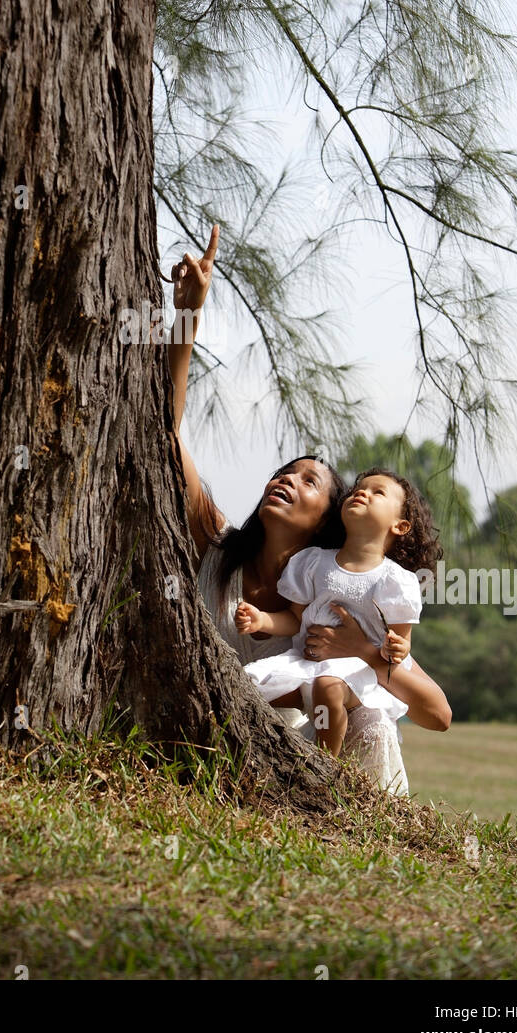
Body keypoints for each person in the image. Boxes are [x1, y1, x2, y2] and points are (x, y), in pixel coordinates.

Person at [166, 223, 451, 794]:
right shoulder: (216, 547)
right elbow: (166, 434)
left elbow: (437, 713)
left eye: (310, 481)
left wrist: (364, 650)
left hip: (294, 759)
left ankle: (368, 834)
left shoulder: (341, 598)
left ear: (328, 517)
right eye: (284, 472)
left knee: (369, 721)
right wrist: (188, 320)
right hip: (208, 740)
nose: (286, 480)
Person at [237, 468, 442, 757]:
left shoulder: (394, 580)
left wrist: (396, 646)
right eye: (359, 488)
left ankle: (324, 762)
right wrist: (262, 620)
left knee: (327, 687)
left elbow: (401, 642)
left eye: (377, 492)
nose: (362, 492)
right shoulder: (312, 562)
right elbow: (296, 620)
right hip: (305, 661)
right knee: (245, 682)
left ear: (400, 525)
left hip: (355, 670)